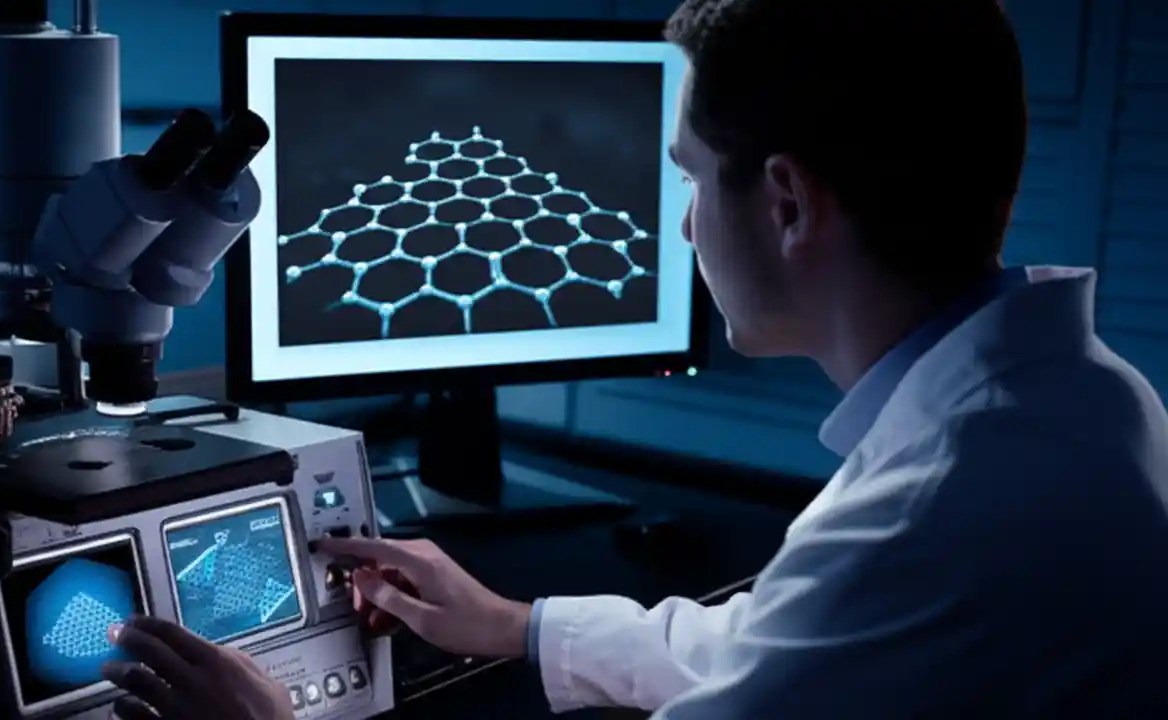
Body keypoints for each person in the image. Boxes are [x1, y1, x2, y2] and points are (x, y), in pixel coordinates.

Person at [102, 0, 1168, 717]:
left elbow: (824, 623)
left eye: (692, 180)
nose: (684, 230)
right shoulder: (1085, 400)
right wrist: (516, 625)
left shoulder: (930, 512)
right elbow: (775, 645)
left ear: (787, 204)